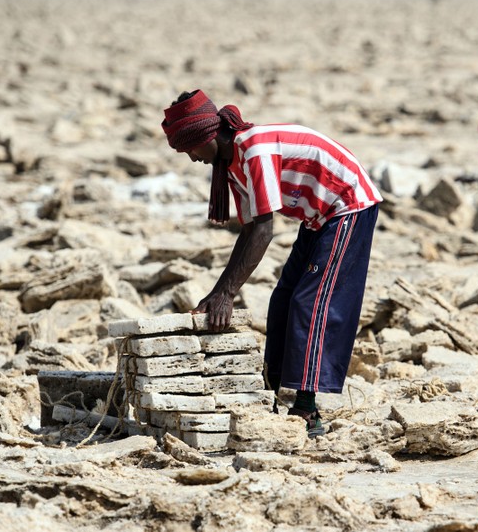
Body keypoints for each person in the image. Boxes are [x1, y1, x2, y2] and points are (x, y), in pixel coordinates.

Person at [161, 90, 383, 437]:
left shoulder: (254, 150)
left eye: (190, 149)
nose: (192, 158)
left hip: (347, 205)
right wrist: (217, 293)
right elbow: (248, 230)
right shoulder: (231, 164)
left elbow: (264, 231)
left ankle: (307, 409)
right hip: (317, 217)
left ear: (208, 137)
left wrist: (228, 293)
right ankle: (273, 394)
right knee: (282, 299)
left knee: (310, 302)